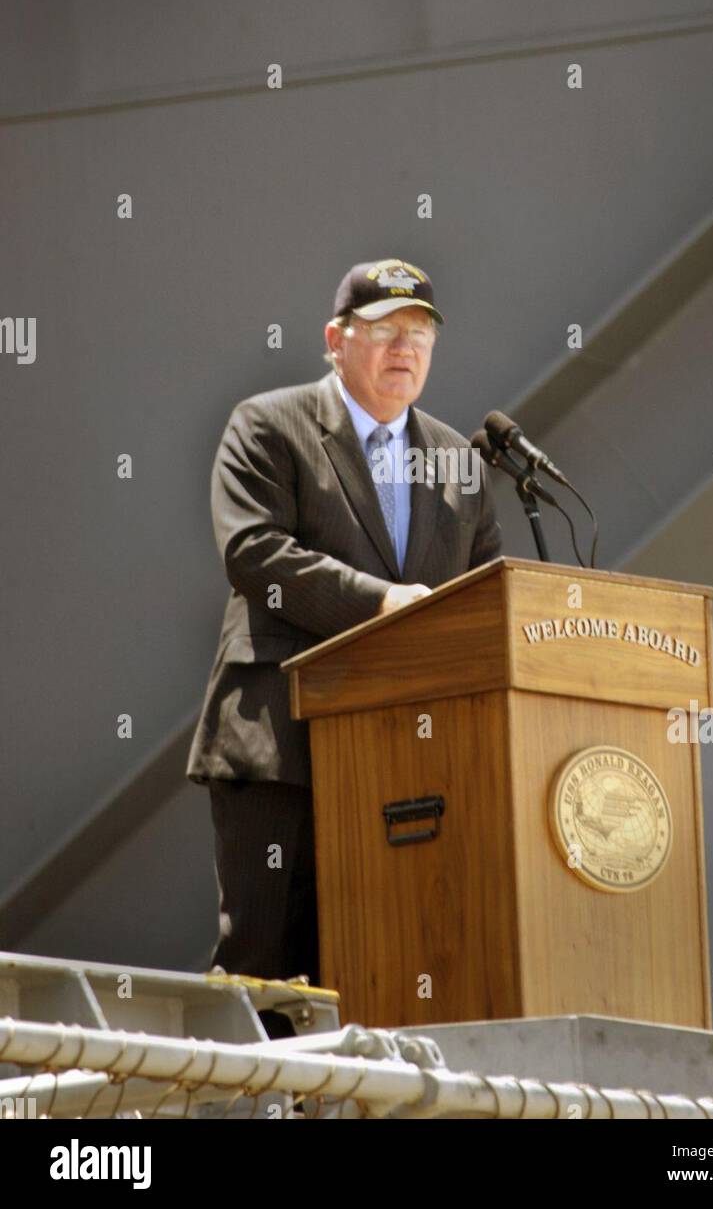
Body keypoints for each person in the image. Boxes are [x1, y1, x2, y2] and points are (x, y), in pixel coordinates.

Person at [186, 258, 502, 1008]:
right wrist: (383, 604)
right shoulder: (268, 425)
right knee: (263, 970)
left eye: (420, 332)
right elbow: (254, 554)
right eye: (385, 330)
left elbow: (484, 604)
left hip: (405, 763)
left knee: (375, 964)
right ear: (335, 339)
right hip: (280, 746)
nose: (405, 347)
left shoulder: (461, 461)